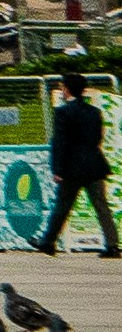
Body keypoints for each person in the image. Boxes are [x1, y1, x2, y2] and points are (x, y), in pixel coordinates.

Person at [48, 71, 114, 259]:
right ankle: (112, 244)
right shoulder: (95, 112)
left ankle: (48, 241)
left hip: (72, 167)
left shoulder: (62, 112)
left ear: (66, 89)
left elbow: (61, 142)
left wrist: (58, 169)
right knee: (101, 205)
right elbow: (97, 138)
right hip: (94, 164)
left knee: (63, 204)